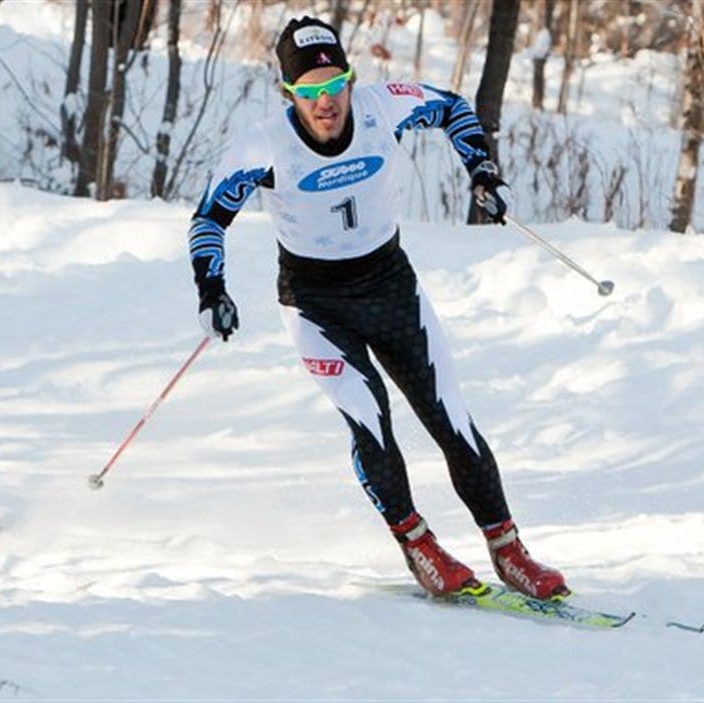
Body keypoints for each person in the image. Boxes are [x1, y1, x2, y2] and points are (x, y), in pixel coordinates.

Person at [187, 18, 568, 599]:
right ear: (289, 94)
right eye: (309, 92)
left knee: (450, 417)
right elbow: (209, 220)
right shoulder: (263, 146)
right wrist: (212, 290)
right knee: (371, 417)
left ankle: (509, 549)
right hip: (316, 305)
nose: (325, 102)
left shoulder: (382, 107)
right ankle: (418, 543)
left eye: (334, 84)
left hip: (391, 286)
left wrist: (483, 172)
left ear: (349, 78)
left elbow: (455, 109)